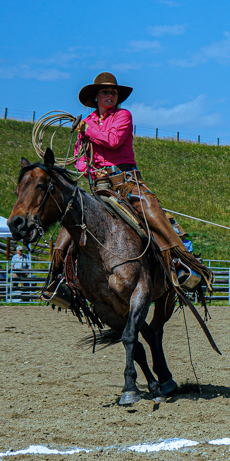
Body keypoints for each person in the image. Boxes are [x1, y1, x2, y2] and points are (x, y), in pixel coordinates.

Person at [47, 72, 210, 296]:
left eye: (113, 92)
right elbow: (80, 155)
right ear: (96, 96)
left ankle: (183, 264)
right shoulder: (86, 122)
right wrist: (88, 168)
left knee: (152, 210)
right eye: (105, 91)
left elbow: (113, 141)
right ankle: (59, 280)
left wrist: (87, 130)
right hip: (98, 184)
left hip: (126, 182)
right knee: (70, 220)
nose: (110, 95)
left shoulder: (123, 116)